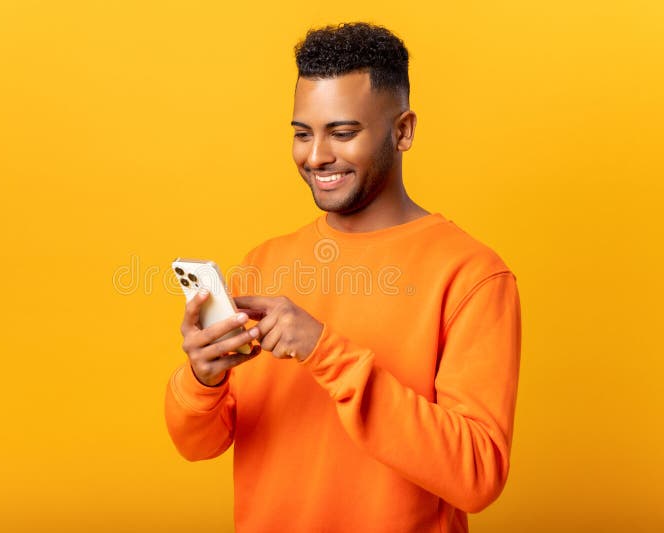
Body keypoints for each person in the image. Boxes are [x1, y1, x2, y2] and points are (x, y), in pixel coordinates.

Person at [165, 22, 521, 533]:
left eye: (343, 133)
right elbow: (196, 444)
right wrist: (204, 378)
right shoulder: (265, 261)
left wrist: (325, 349)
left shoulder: (473, 275)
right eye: (302, 134)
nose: (315, 157)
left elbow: (477, 475)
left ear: (403, 131)